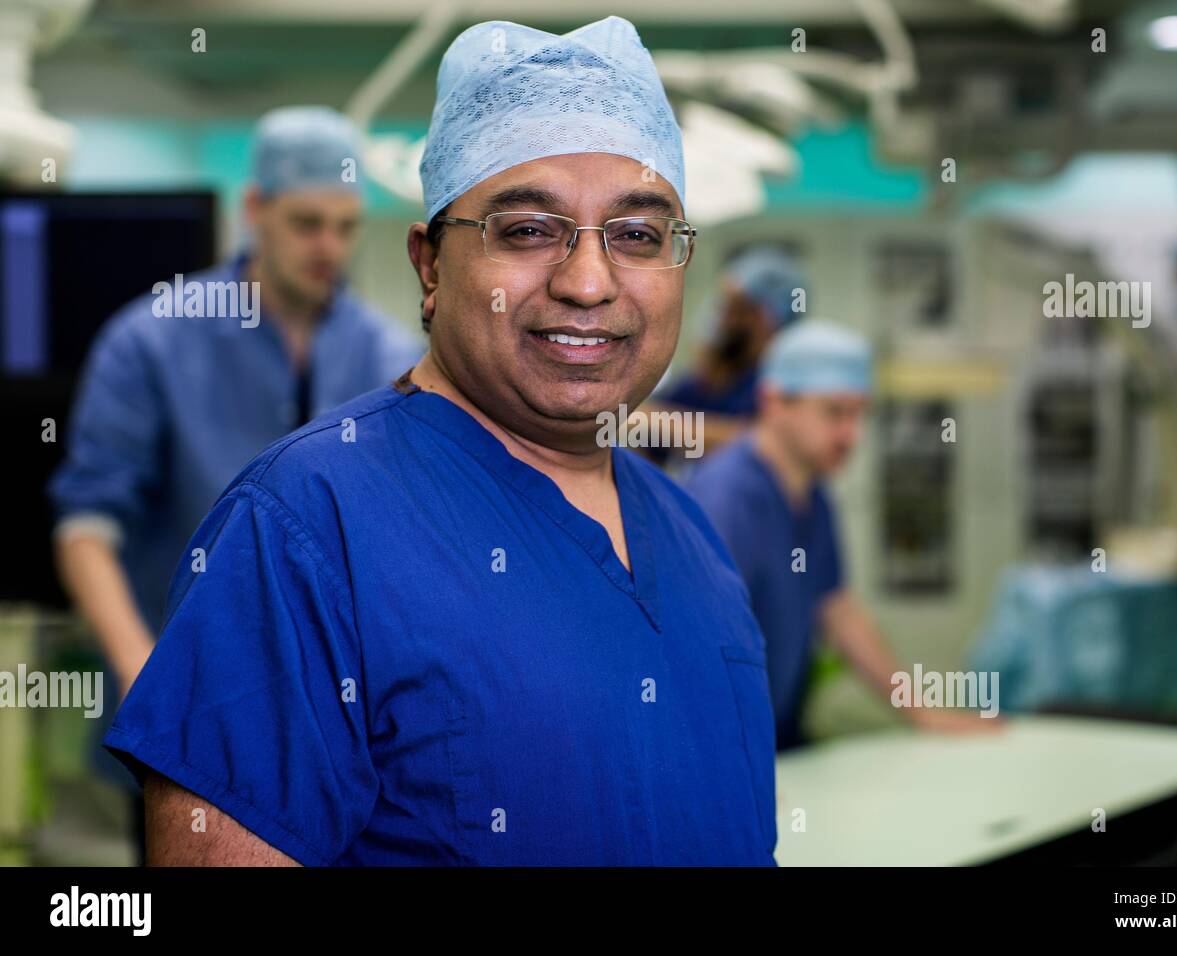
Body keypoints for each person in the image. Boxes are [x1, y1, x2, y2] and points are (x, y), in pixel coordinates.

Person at [102, 16, 778, 866]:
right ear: (430, 266)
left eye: (637, 235)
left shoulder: (696, 544)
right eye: (527, 229)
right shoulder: (303, 532)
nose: (589, 281)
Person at [47, 105, 423, 859]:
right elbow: (87, 526)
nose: (329, 247)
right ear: (255, 210)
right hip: (183, 723)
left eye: (346, 227)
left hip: (349, 742)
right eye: (307, 223)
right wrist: (143, 671)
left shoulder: (392, 355)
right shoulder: (152, 340)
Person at [685, 320, 1003, 751]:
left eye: (859, 414)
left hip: (779, 741)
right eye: (835, 412)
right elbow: (693, 648)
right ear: (774, 402)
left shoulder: (811, 495)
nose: (852, 434)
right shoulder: (727, 500)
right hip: (722, 751)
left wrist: (921, 713)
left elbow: (836, 610)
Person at [649, 245, 807, 452]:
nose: (725, 320)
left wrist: (647, 424)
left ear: (768, 318)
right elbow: (663, 411)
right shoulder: (720, 374)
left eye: (738, 309)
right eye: (726, 307)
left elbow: (761, 442)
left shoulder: (788, 382)